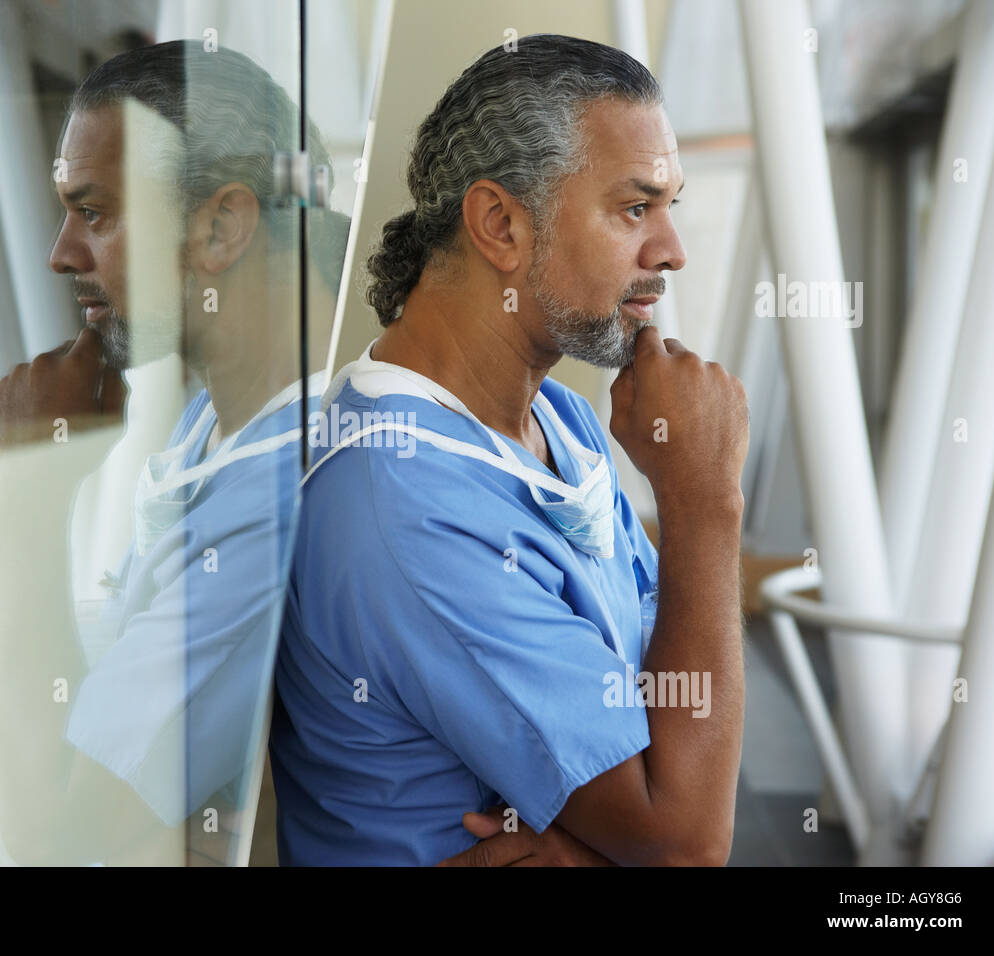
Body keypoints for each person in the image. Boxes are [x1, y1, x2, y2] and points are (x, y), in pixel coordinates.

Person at [270, 34, 750, 866]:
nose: (671, 249)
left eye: (670, 205)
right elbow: (684, 841)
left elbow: (663, 694)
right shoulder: (402, 503)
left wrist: (592, 848)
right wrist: (705, 503)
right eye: (636, 208)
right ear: (500, 225)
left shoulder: (556, 417)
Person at [0, 40, 345, 865]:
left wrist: (29, 500)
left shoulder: (277, 506)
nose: (62, 253)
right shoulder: (218, 424)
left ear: (221, 225)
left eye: (97, 213)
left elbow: (55, 839)